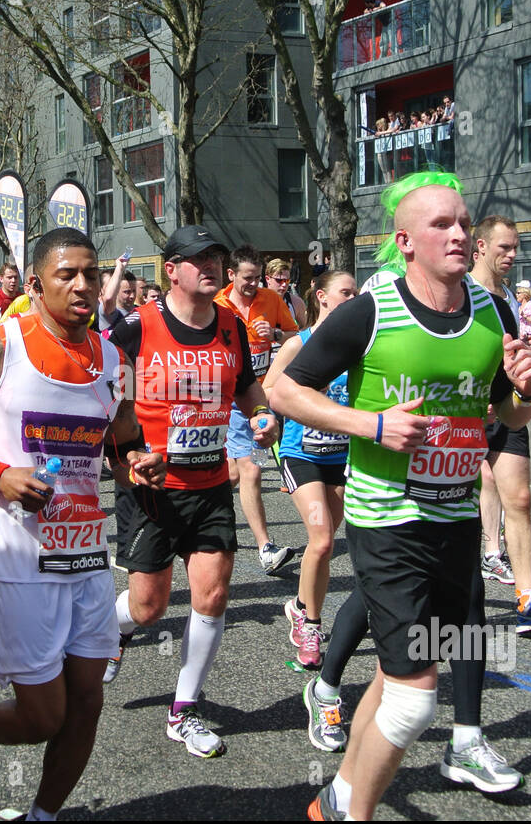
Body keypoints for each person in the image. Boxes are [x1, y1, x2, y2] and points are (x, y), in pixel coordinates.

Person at [271, 175, 531, 821]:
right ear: (405, 242)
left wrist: (525, 392)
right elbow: (283, 390)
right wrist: (373, 425)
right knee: (418, 699)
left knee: (396, 684)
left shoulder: (491, 312)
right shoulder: (371, 310)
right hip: (386, 517)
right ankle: (350, 813)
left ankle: (336, 796)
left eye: (462, 222)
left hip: (454, 518)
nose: (458, 234)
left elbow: (507, 413)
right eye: (441, 225)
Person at [0, 228, 165, 820]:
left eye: (91, 272)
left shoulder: (116, 360)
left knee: (86, 705)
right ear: (35, 284)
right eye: (67, 275)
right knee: (42, 717)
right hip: (18, 555)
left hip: (85, 551)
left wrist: (138, 463)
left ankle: (43, 815)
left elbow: (124, 441)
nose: (83, 285)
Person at [105, 225, 279, 757]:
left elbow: (246, 382)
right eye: (198, 258)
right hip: (153, 492)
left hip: (208, 487)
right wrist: (132, 459)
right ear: (171, 269)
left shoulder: (231, 324)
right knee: (149, 607)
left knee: (213, 594)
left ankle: (185, 710)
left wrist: (261, 411)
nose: (210, 266)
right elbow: (115, 410)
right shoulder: (135, 331)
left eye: (216, 257)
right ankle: (114, 631)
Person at [470, 216, 531, 633]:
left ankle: (526, 598)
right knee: (450, 507)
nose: (512, 255)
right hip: (465, 412)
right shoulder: (462, 293)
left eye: (515, 248)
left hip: (506, 404)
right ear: (480, 247)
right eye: (503, 248)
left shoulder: (510, 296)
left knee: (521, 499)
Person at [262, 270, 356, 672]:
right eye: (345, 293)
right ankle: (310, 625)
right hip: (301, 453)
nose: (353, 299)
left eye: (356, 293)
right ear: (322, 297)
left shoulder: (358, 346)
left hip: (340, 454)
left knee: (328, 538)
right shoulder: (299, 343)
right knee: (319, 540)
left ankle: (300, 602)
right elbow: (268, 388)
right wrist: (294, 407)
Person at [214, 243, 299, 575]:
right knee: (250, 469)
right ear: (231, 274)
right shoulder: (217, 304)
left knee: (234, 473)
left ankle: (193, 512)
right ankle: (266, 548)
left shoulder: (271, 300)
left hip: (262, 394)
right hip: (232, 399)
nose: (253, 284)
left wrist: (275, 332)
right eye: (247, 278)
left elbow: (296, 334)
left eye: (257, 278)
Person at [266, 258, 307, 330]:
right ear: (268, 279)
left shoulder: (296, 303)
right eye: (279, 280)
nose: (284, 284)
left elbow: (306, 328)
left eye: (287, 280)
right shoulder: (256, 300)